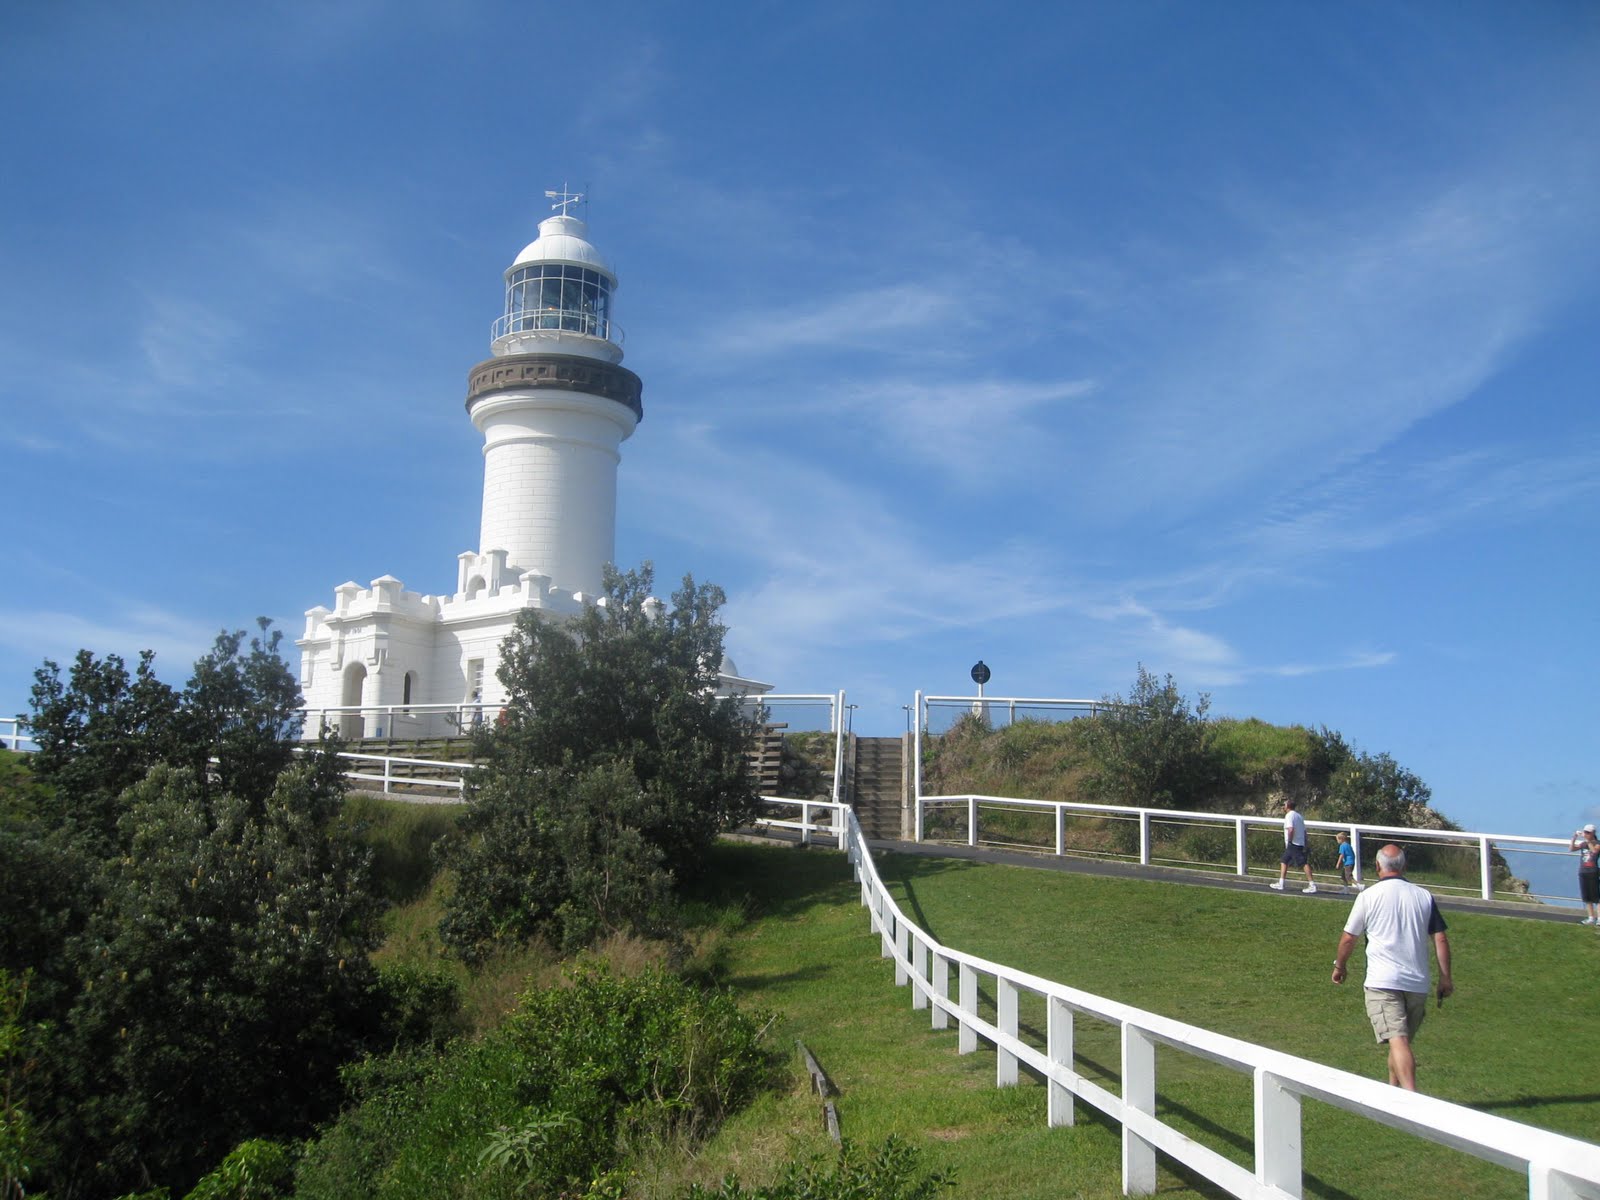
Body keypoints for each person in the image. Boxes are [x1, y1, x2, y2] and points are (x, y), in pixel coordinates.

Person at [1331, 844, 1453, 1091]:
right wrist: (1445, 977)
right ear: (1404, 866)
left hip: (1383, 982)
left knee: (1397, 1040)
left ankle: (1410, 1099)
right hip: (1417, 984)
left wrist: (1340, 966)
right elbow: (1439, 938)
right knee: (1400, 1041)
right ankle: (1393, 1096)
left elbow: (1348, 938)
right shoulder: (1423, 896)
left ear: (1377, 867)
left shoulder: (1368, 897)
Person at [1271, 797, 1316, 893]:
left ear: (1287, 806)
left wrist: (1290, 841)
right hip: (1299, 842)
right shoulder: (1299, 816)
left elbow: (1290, 829)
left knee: (1303, 863)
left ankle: (1312, 885)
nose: (1283, 807)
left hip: (1294, 843)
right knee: (1284, 860)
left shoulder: (1289, 816)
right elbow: (1304, 831)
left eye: (1284, 805)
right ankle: (1281, 883)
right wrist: (1305, 843)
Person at [1571, 824, 1600, 925]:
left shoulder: (1597, 843)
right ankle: (1591, 917)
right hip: (1583, 871)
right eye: (1585, 832)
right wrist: (1574, 838)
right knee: (1587, 897)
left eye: (1588, 832)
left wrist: (1588, 841)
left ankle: (1599, 918)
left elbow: (1594, 851)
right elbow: (1572, 849)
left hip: (1593, 871)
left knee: (1596, 896)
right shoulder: (1583, 844)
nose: (1586, 834)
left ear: (1593, 833)